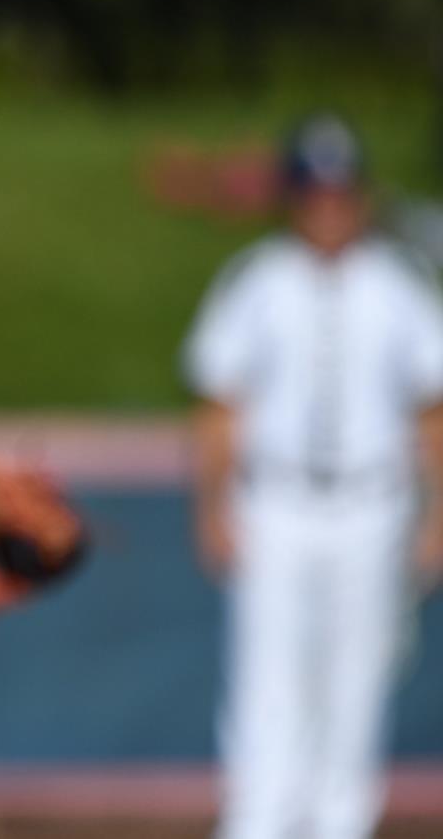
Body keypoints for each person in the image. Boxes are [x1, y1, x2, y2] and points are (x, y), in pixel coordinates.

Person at [186, 113, 443, 839]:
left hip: (370, 502)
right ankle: (258, 822)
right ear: (292, 197)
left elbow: (432, 410)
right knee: (267, 681)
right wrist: (211, 505)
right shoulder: (257, 279)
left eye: (340, 191)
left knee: (357, 679)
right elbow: (219, 404)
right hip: (277, 501)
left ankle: (340, 823)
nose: (327, 207)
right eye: (313, 191)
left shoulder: (400, 285)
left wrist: (435, 515)